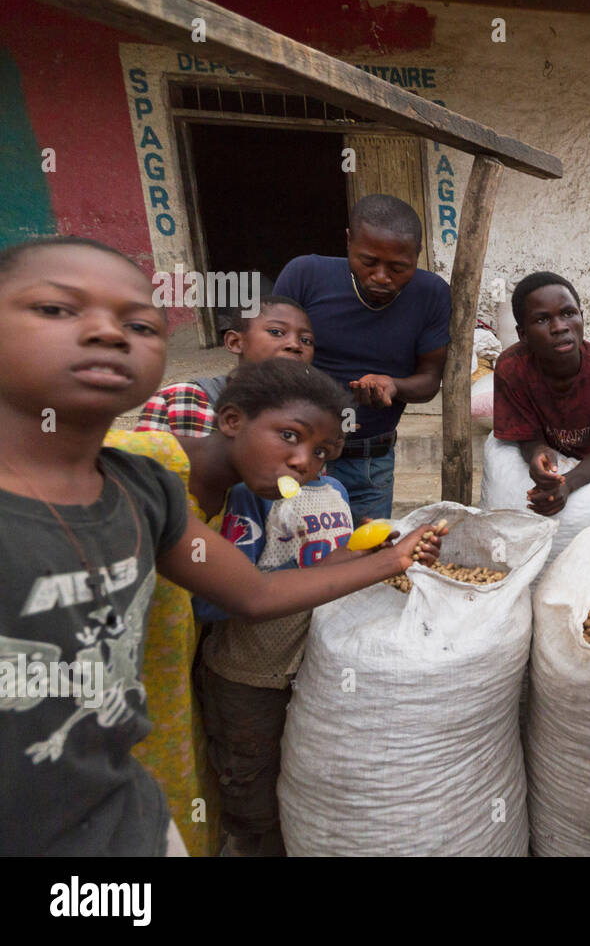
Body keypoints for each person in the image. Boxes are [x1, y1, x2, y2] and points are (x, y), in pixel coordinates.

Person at [0, 236, 442, 856]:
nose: (107, 333)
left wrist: (388, 557)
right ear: (230, 419)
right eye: (55, 309)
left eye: (139, 323)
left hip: (126, 796)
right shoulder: (156, 455)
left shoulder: (146, 488)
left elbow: (257, 591)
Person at [184, 360, 374, 857]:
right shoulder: (249, 496)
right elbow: (216, 600)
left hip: (308, 667)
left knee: (303, 766)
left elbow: (331, 561)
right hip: (248, 675)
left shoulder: (333, 492)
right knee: (250, 779)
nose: (302, 461)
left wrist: (364, 548)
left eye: (322, 451)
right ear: (231, 423)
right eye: (290, 436)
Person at [273, 193, 451, 524]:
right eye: (368, 262)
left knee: (364, 559)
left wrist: (394, 385)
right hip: (296, 451)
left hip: (370, 460)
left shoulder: (432, 294)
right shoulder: (305, 276)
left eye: (399, 267)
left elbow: (429, 379)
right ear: (348, 242)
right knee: (295, 556)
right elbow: (267, 357)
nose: (382, 277)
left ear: (417, 256)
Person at [493, 272, 590, 516]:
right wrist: (539, 454)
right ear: (523, 334)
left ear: (582, 317)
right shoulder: (511, 368)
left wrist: (567, 484)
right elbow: (526, 437)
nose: (560, 327)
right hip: (547, 464)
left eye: (568, 314)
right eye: (542, 320)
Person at [134, 296, 316, 436]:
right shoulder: (181, 402)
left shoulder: (308, 414)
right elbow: (140, 478)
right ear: (235, 342)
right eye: (276, 332)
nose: (295, 344)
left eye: (306, 340)